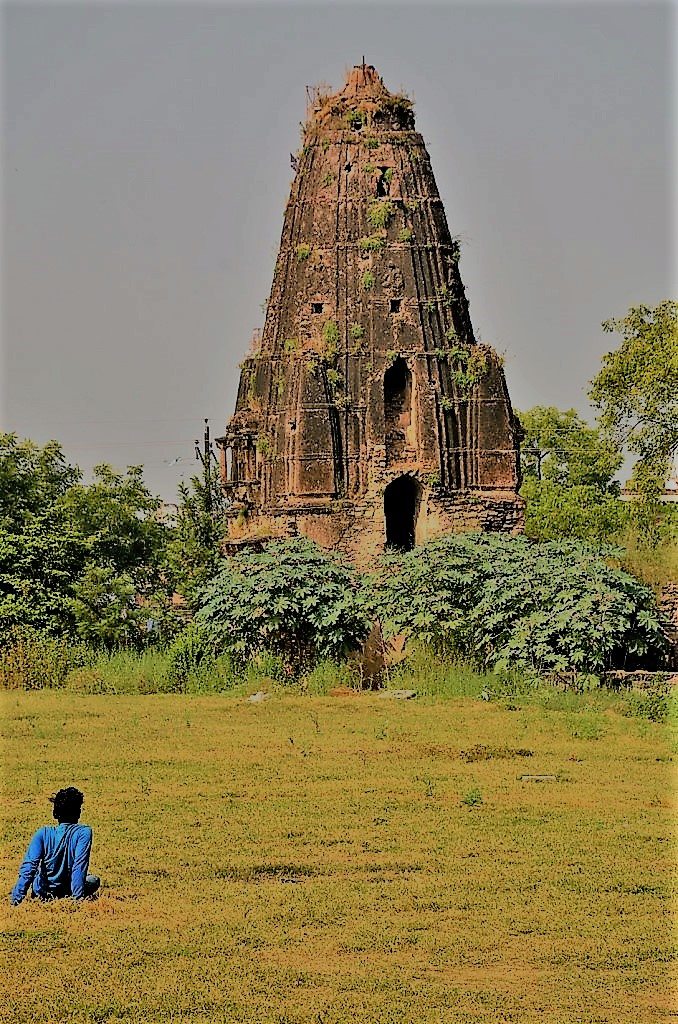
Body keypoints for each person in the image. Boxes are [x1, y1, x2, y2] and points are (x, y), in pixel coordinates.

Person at [10, 787, 99, 905]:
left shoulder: (42, 833)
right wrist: (78, 900)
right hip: (67, 891)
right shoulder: (84, 832)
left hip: (42, 891)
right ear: (78, 813)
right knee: (93, 880)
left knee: (36, 873)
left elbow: (29, 867)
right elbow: (79, 867)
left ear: (54, 814)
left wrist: (16, 899)